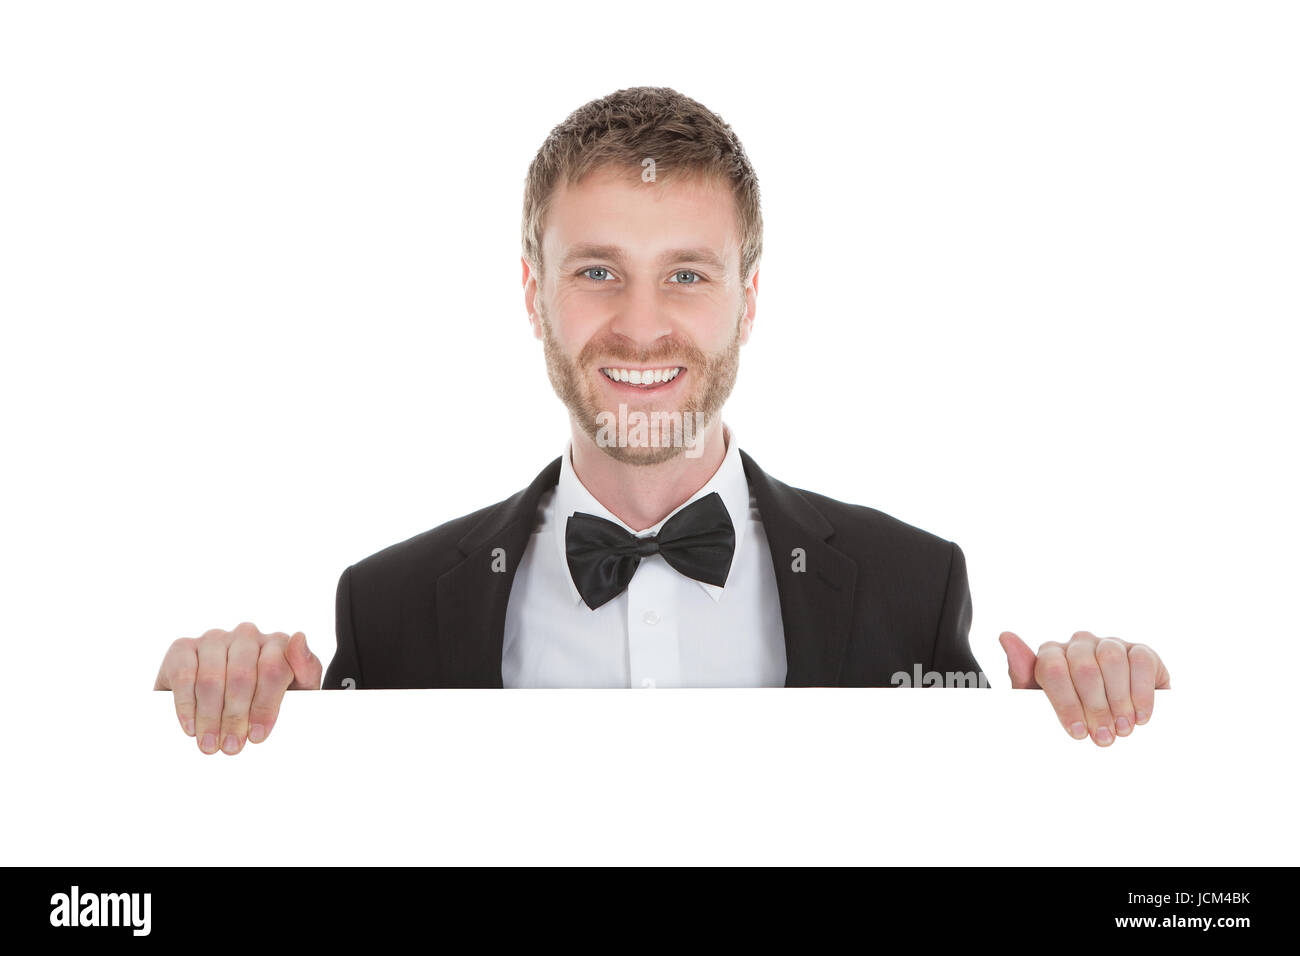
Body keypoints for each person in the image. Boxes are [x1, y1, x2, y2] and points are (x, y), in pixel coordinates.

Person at [154, 86, 1170, 756]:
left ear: (749, 298)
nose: (640, 327)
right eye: (597, 272)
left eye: (685, 274)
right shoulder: (391, 605)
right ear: (533, 293)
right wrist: (233, 703)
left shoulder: (907, 588)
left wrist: (1079, 723)